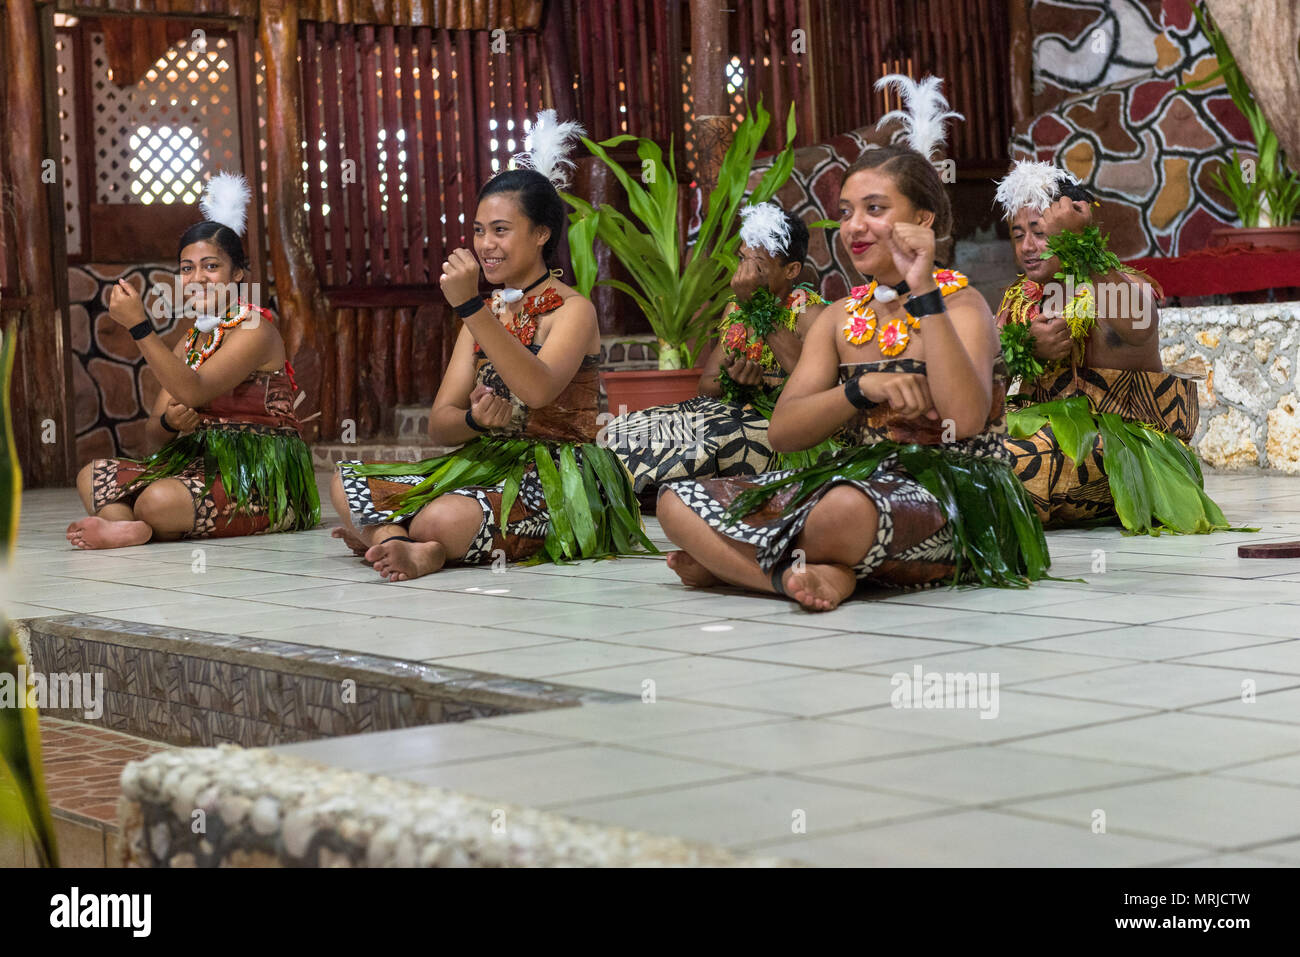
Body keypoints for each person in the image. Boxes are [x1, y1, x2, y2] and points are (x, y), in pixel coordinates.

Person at [656, 75, 1049, 613]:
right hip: (854, 479)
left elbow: (967, 417)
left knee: (838, 512)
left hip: (953, 491)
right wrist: (861, 388)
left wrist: (923, 289)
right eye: (845, 212)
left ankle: (749, 563)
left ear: (922, 221)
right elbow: (785, 431)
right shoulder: (840, 317)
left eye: (875, 209)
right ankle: (804, 576)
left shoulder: (962, 306)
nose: (854, 226)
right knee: (677, 501)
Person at [331, 111, 653, 581]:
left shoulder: (572, 311)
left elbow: (539, 391)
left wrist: (470, 309)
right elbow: (441, 424)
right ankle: (405, 543)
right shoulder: (484, 313)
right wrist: (474, 420)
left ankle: (398, 538)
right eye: (479, 230)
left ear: (542, 234)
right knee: (347, 483)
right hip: (485, 465)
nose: (485, 245)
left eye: (500, 230)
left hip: (561, 477)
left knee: (438, 517)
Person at [67, 172, 318, 549]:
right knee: (92, 475)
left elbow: (192, 389)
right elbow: (153, 437)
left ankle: (143, 521)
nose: (197, 277)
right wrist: (169, 422)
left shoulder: (254, 328)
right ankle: (130, 529)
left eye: (211, 267)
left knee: (157, 500)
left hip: (261, 473)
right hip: (200, 465)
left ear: (237, 274)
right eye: (187, 268)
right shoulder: (191, 340)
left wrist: (139, 327)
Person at [994, 160, 1230, 534]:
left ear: (1071, 229)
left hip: (1125, 451)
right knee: (968, 452)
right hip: (1041, 434)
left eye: (1039, 232)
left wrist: (1082, 244)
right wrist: (1024, 347)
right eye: (1017, 234)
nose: (1027, 246)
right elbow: (982, 374)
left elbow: (1139, 326)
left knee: (1004, 463)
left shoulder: (1120, 287)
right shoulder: (1018, 300)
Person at [604, 204, 828, 496]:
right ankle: (620, 494)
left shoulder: (810, 312)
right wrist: (733, 382)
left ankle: (656, 497)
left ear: (791, 270)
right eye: (742, 259)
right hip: (733, 414)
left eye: (757, 265)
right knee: (629, 425)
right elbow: (706, 386)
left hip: (786, 433)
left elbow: (812, 381)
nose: (744, 273)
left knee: (706, 434)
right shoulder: (735, 309)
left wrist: (757, 305)